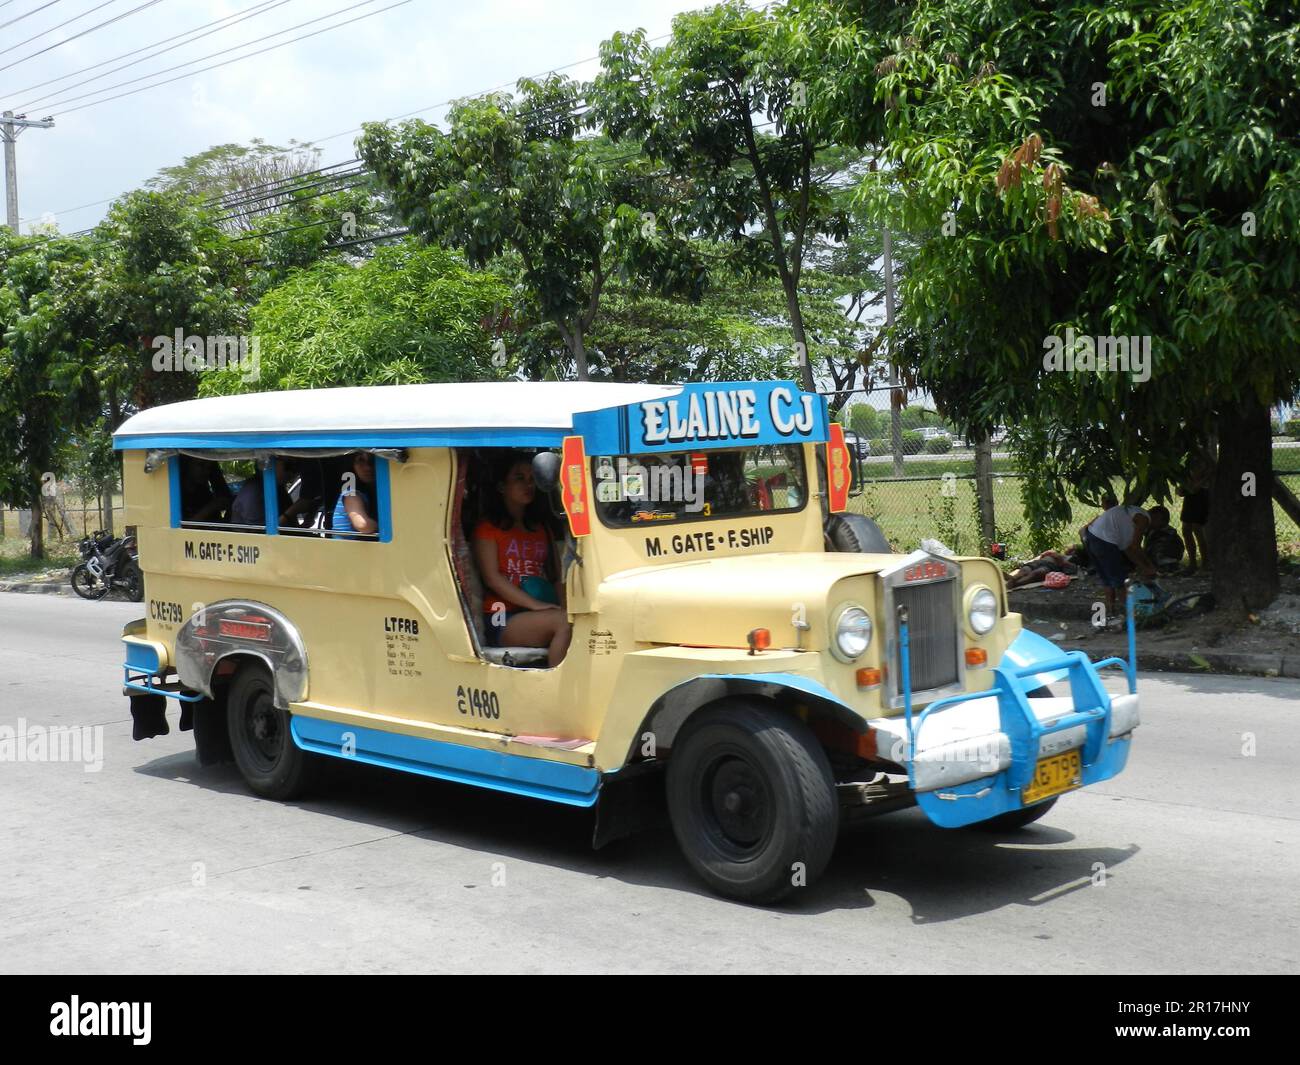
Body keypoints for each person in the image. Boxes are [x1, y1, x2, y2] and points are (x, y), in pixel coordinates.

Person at [473, 452, 571, 666]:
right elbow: (492, 578)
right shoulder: (488, 528)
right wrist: (536, 605)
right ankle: (560, 693)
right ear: (501, 486)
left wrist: (566, 607)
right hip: (503, 616)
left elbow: (556, 576)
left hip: (542, 609)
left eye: (532, 479)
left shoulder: (541, 528)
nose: (528, 485)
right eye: (519, 478)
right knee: (564, 623)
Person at [1082, 496, 1157, 620]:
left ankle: (1111, 613)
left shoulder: (1131, 514)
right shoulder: (1144, 519)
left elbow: (1129, 550)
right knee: (1120, 581)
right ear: (1158, 518)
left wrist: (1144, 567)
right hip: (1105, 541)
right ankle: (1131, 616)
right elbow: (1135, 546)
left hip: (1091, 536)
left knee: (1107, 579)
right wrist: (1149, 567)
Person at [230, 459, 314, 531]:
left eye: (296, 467)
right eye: (289, 466)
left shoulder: (278, 488)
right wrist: (292, 511)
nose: (292, 473)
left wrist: (305, 524)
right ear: (268, 464)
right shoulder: (254, 491)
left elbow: (288, 530)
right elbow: (261, 535)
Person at [332, 452, 378, 538]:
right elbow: (362, 525)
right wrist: (384, 526)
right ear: (352, 465)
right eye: (360, 460)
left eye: (372, 461)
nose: (367, 467)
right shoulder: (351, 494)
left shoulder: (366, 493)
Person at [1178, 458, 1212, 574]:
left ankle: (1206, 563)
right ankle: (1192, 563)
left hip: (1200, 501)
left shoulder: (1207, 477)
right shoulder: (1187, 474)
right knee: (1186, 530)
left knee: (1197, 530)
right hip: (1189, 502)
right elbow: (1180, 492)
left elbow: (1194, 489)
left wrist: (1195, 483)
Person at [178, 456, 232, 523]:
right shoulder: (175, 494)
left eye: (208, 468)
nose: (206, 471)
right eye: (201, 465)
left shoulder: (203, 493)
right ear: (188, 465)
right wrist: (210, 508)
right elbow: (183, 527)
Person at [1143, 505, 1185, 574]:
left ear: (1163, 521)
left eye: (1154, 519)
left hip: (1166, 561)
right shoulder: (1152, 530)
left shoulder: (1166, 534)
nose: (1149, 520)